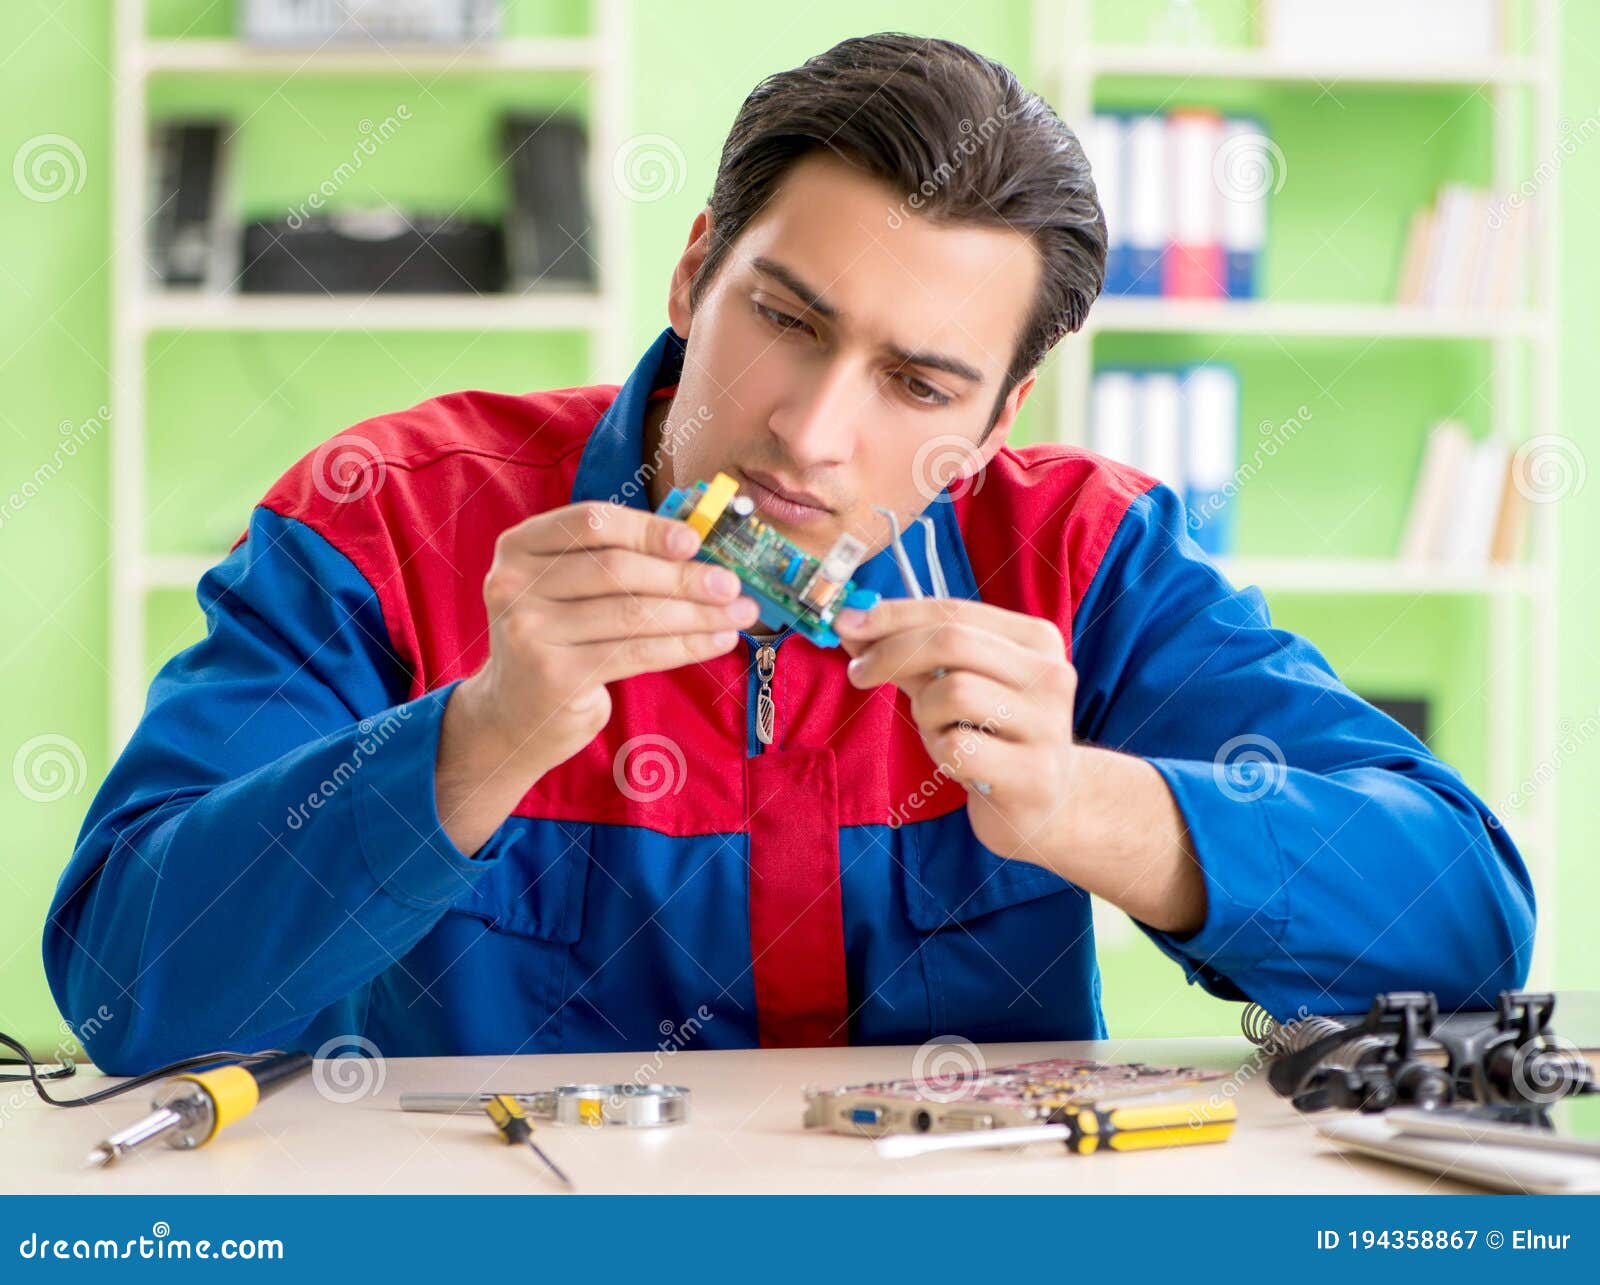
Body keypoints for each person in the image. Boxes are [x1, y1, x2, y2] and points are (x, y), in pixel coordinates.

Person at [45, 34, 1532, 1074]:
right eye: (789, 322)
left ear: (1002, 414)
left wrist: (1092, 803)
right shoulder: (386, 517)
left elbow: (1462, 923)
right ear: (698, 270)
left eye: (920, 383)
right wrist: (476, 738)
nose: (812, 434)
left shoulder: (1083, 554)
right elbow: (128, 986)